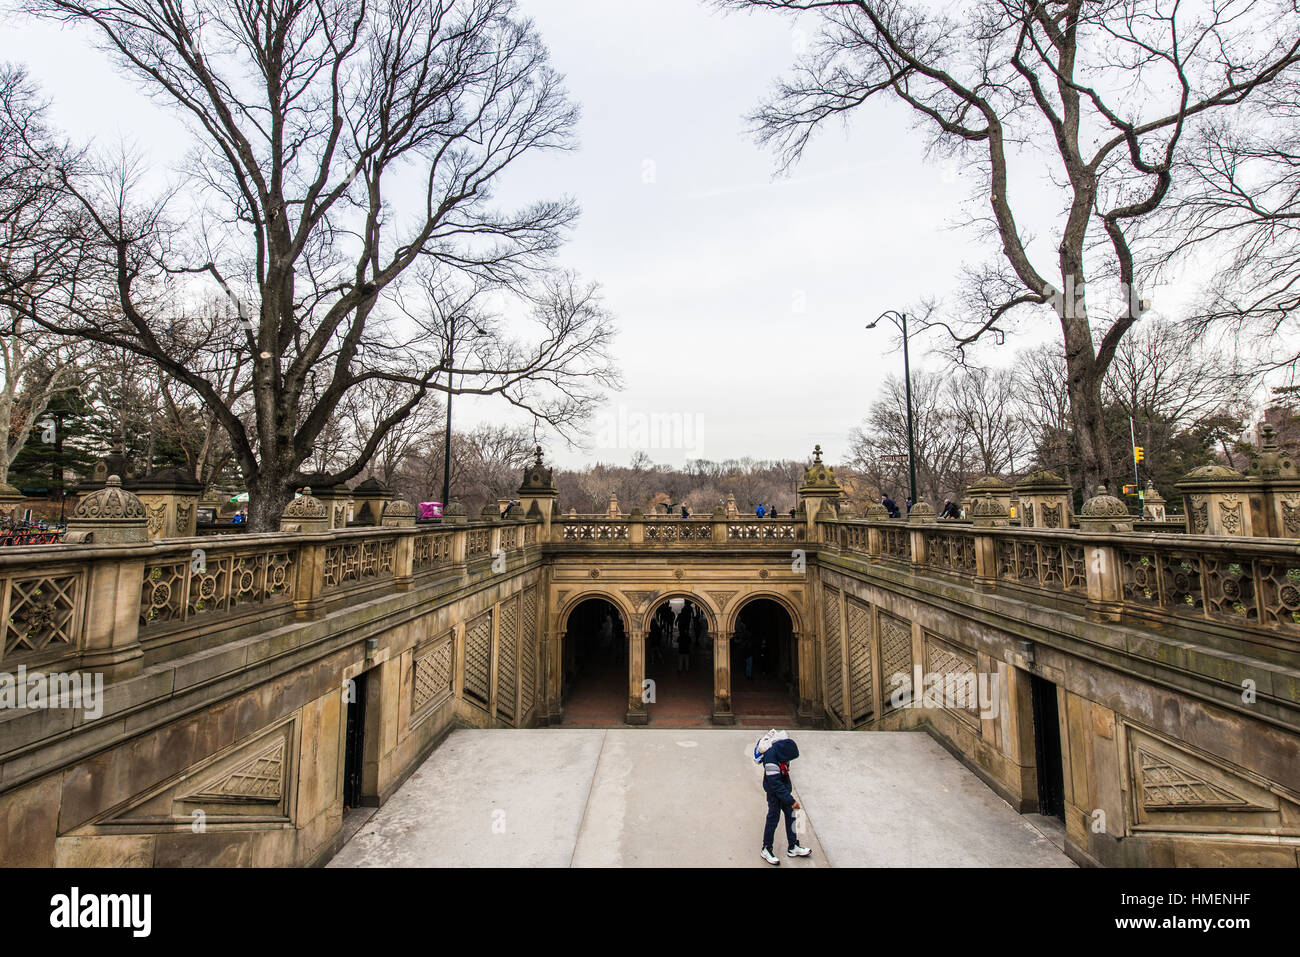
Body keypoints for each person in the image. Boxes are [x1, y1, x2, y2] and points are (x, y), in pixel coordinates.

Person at [753, 730, 811, 864]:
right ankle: (766, 848)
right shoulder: (771, 759)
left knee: (790, 814)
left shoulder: (782, 753)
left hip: (782, 788)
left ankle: (793, 846)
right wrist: (790, 800)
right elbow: (775, 784)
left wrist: (788, 793)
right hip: (773, 792)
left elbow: (785, 774)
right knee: (773, 817)